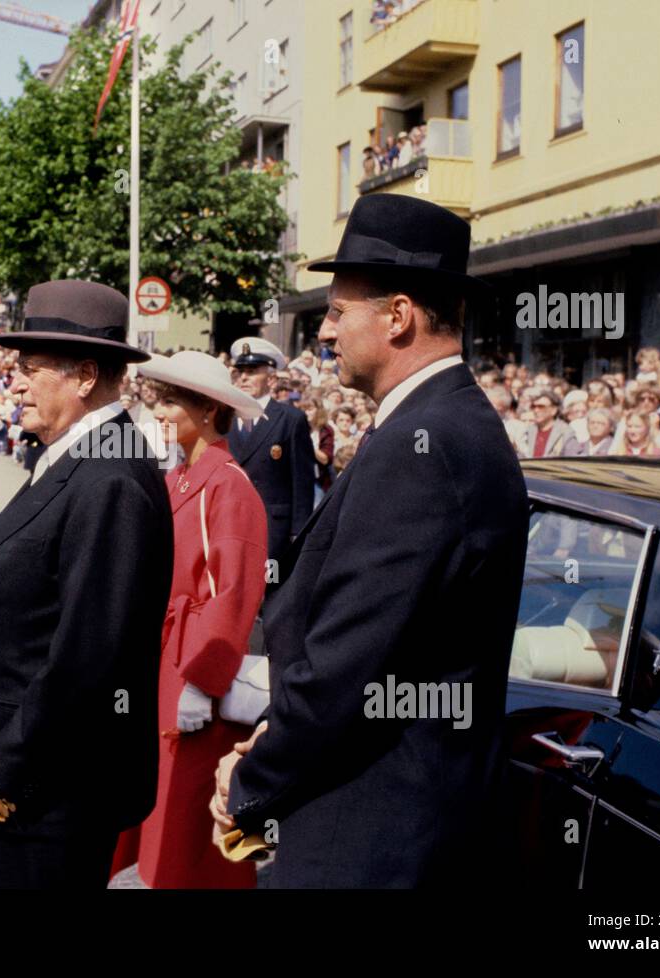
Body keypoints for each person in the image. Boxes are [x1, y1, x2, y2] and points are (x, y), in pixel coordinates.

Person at [211, 194, 530, 887]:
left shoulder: (427, 442)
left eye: (335, 311)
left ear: (399, 315)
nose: (323, 333)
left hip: (375, 834)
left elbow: (347, 661)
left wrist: (251, 779)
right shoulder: (439, 424)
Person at [0, 280, 173, 888]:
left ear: (86, 375)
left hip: (48, 789)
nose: (14, 381)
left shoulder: (110, 478)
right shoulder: (76, 457)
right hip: (27, 784)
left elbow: (90, 660)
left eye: (29, 368)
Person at [109, 351, 267, 889]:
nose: (160, 411)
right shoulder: (181, 475)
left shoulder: (229, 484)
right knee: (166, 814)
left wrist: (204, 678)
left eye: (172, 401)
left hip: (197, 670)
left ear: (206, 410)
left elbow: (234, 592)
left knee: (192, 827)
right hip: (168, 661)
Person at [226, 336, 314, 564]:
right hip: (231, 523)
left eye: (253, 370)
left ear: (272, 379)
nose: (244, 377)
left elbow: (301, 481)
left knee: (270, 592)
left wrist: (298, 532)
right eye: (240, 371)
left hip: (273, 529)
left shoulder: (290, 419)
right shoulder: (225, 418)